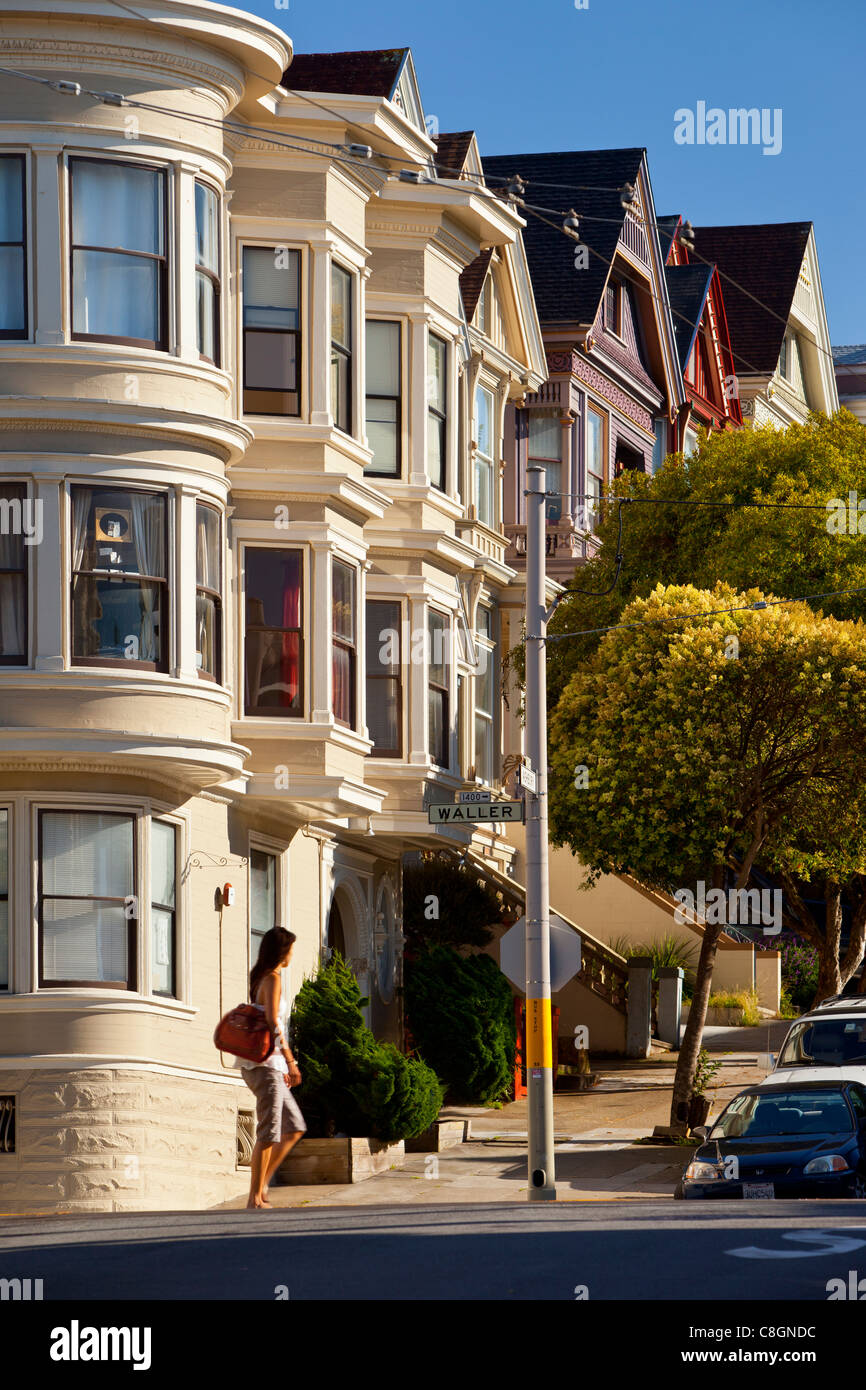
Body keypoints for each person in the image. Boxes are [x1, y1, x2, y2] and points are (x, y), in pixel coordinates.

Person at [238, 926, 306, 1209]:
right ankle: (254, 1197)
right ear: (282, 951)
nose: (292, 953)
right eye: (290, 948)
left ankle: (262, 1184)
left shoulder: (260, 978)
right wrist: (290, 1061)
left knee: (293, 1127)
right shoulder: (273, 978)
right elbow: (272, 1022)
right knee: (269, 1131)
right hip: (266, 1065)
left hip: (268, 1065)